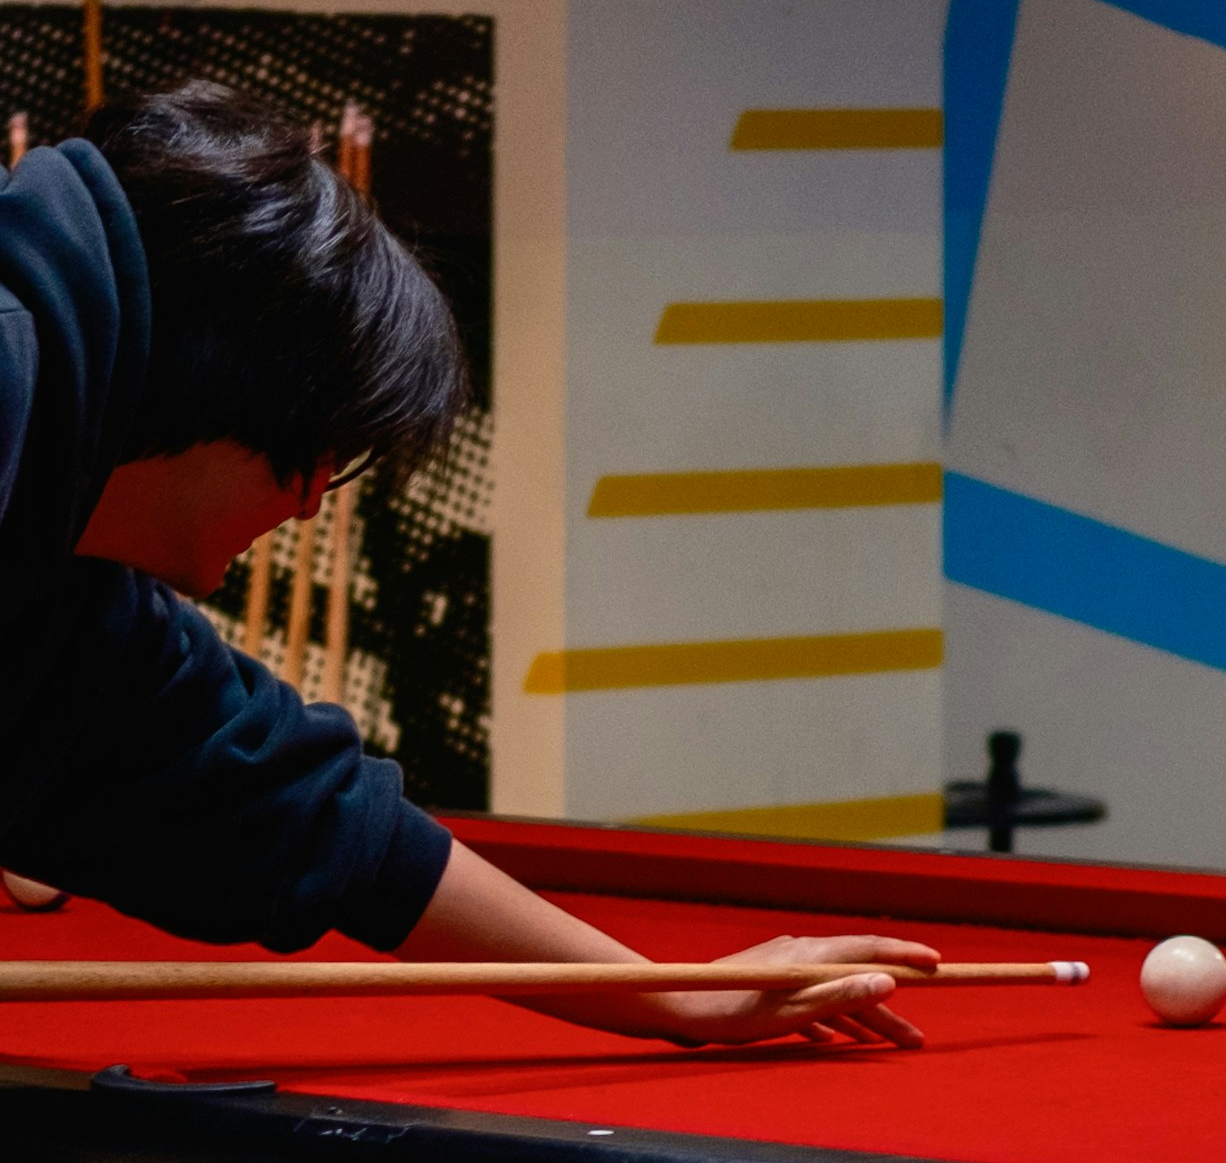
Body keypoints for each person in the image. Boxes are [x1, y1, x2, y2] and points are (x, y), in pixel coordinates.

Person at [0, 81, 934, 1046]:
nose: (311, 502)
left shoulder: (65, 595)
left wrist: (679, 995)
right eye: (321, 452)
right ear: (230, 389)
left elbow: (293, 807)